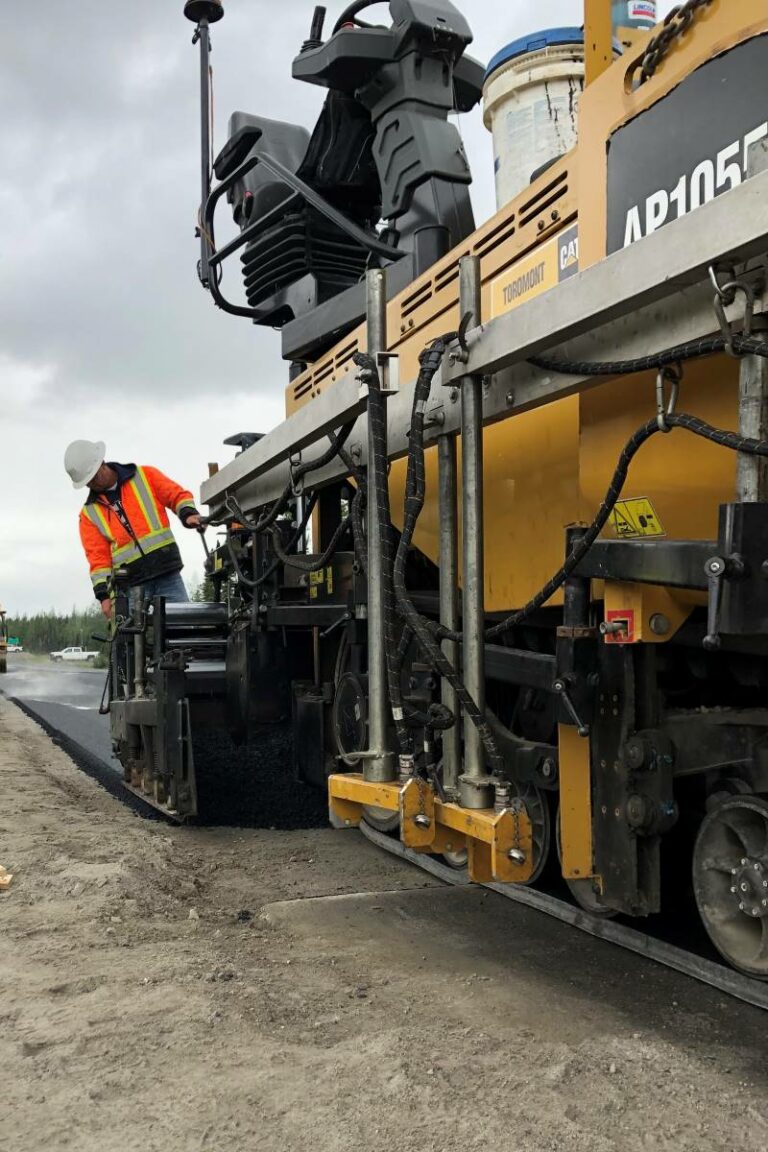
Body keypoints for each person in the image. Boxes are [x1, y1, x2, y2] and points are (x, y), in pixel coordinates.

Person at [64, 439, 203, 619]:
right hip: (131, 586)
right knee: (134, 641)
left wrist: (188, 513)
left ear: (102, 464)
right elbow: (98, 560)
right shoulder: (89, 514)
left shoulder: (145, 476)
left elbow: (176, 495)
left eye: (94, 478)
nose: (93, 485)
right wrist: (104, 597)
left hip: (166, 573)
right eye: (88, 483)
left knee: (183, 626)